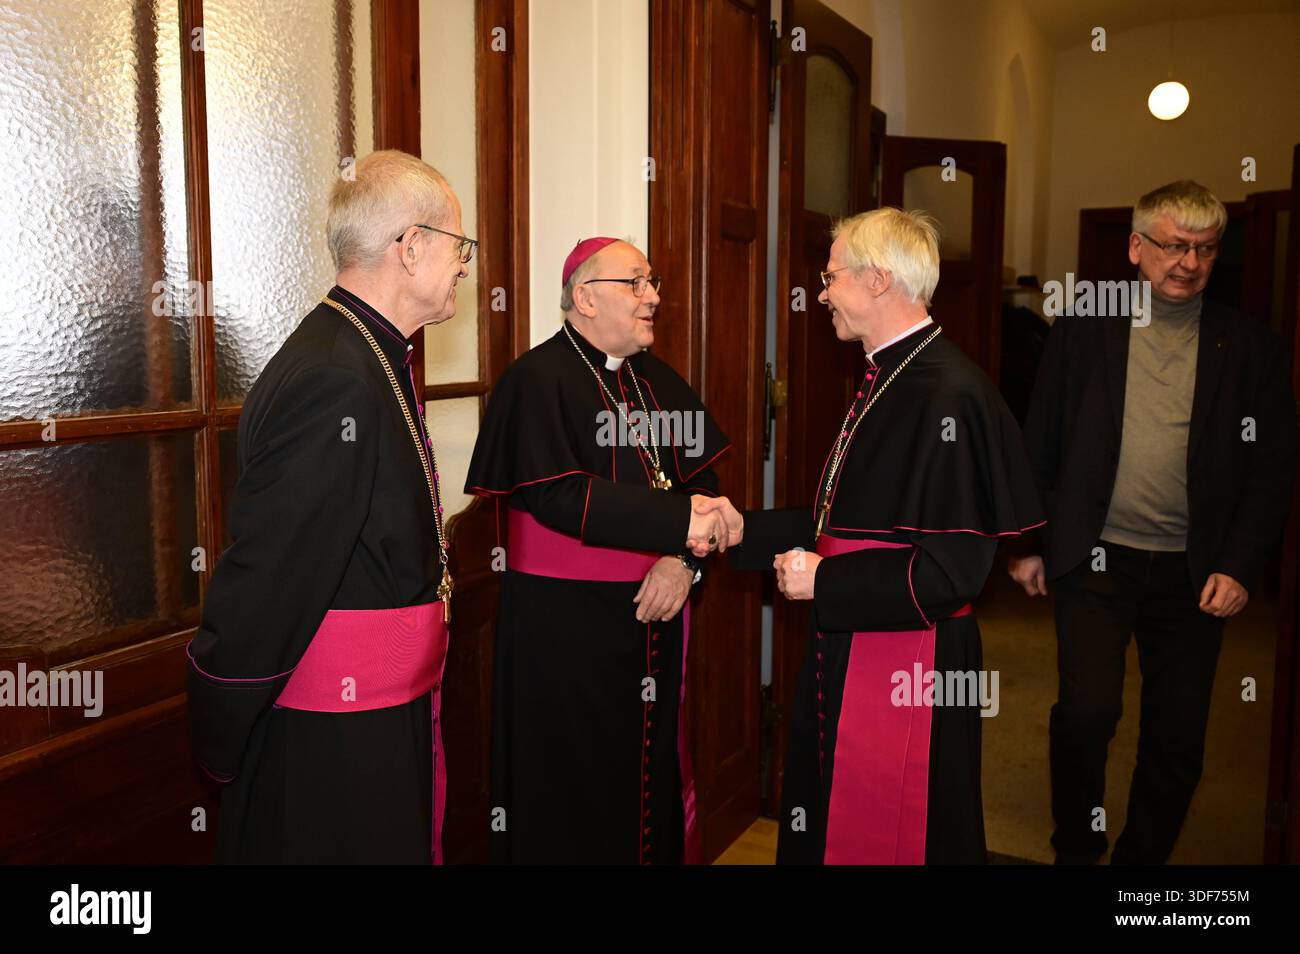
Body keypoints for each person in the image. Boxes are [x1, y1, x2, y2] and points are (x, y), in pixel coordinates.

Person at [724, 208, 1044, 864]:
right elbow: (843, 526)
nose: (820, 292)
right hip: (860, 637)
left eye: (830, 276)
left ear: (876, 280)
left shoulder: (947, 394)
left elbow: (951, 571)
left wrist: (824, 581)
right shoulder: (890, 375)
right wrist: (737, 532)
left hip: (909, 659)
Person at [186, 150, 472, 863]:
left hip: (375, 720)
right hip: (333, 743)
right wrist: (223, 737)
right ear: (411, 248)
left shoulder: (367, 353)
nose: (467, 265)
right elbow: (270, 580)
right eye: (459, 246)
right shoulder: (336, 379)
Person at [1010, 180, 1297, 864]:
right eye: (1173, 245)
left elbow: (1271, 469)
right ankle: (1077, 848)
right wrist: (1026, 543)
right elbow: (1039, 439)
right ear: (1137, 247)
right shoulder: (1083, 329)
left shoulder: (1251, 347)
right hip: (1095, 559)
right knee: (1086, 714)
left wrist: (1240, 563)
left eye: (1204, 248)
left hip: (1193, 575)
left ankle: (1141, 866)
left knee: (1177, 739)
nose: (1189, 263)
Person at [465, 236, 741, 864]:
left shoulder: (660, 383)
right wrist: (680, 525)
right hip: (564, 633)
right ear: (585, 298)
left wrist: (685, 563)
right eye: (637, 283)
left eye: (654, 282)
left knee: (650, 780)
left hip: (658, 615)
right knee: (573, 787)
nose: (654, 297)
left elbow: (707, 489)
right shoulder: (535, 382)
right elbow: (558, 495)